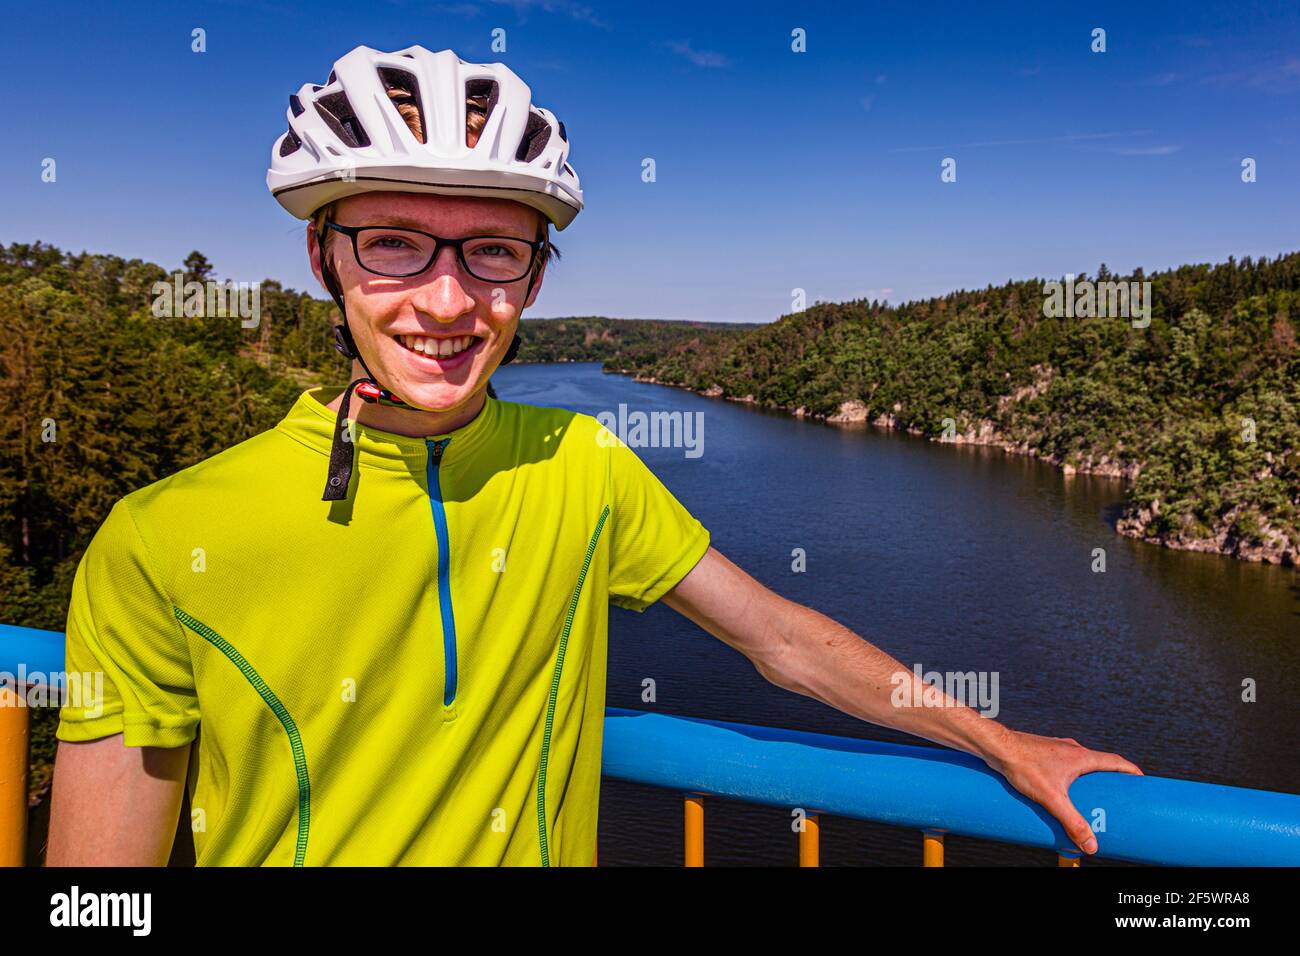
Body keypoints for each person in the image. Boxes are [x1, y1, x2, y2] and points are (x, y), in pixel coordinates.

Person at [46, 43, 1141, 867]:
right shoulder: (163, 537)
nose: (445, 296)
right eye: (391, 242)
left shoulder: (581, 463)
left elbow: (783, 638)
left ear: (531, 275)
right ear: (322, 258)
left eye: (492, 251)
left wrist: (999, 740)